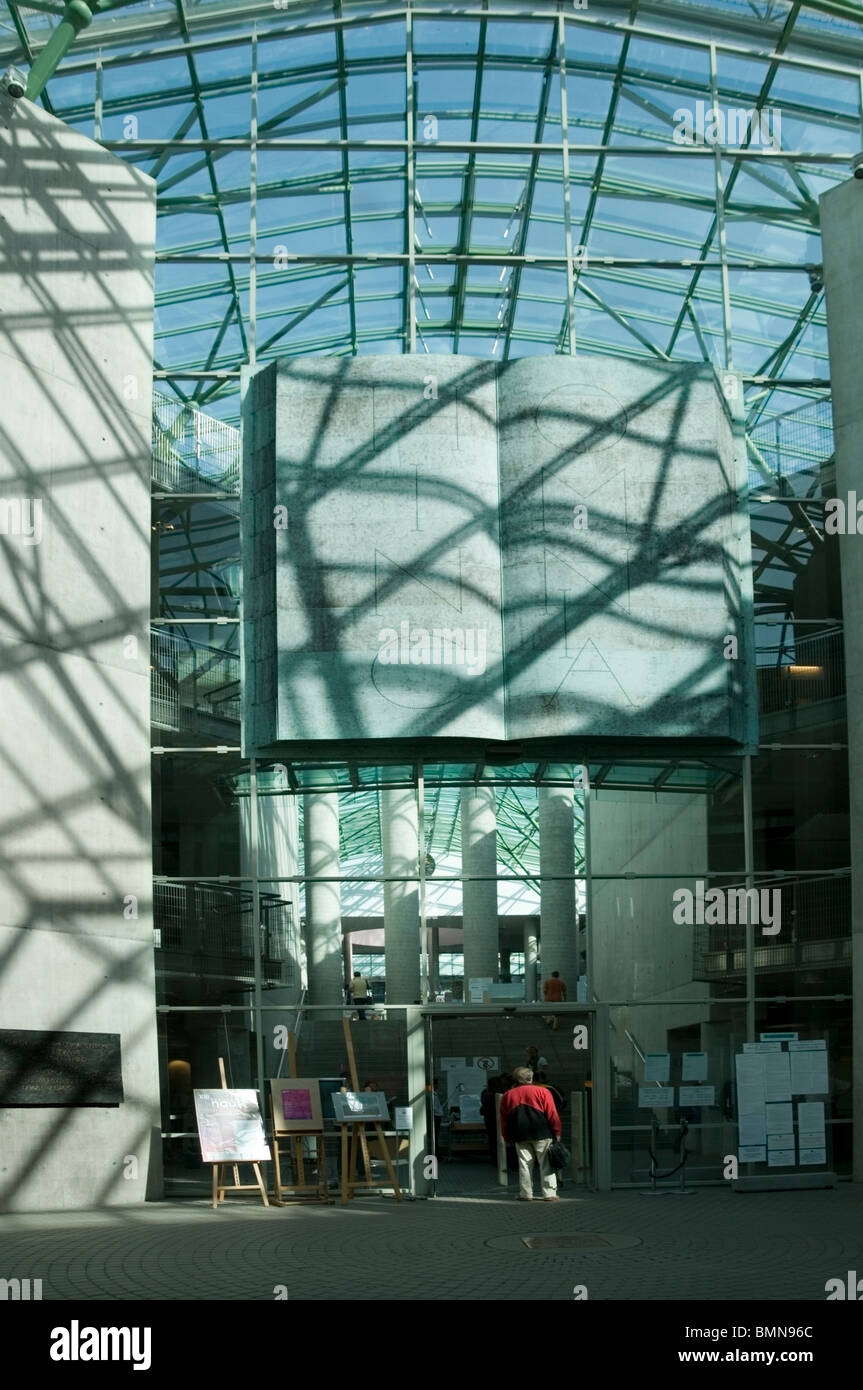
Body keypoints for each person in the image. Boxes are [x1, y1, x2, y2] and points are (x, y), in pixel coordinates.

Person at [499, 1065, 562, 1201]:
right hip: (542, 1132)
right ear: (531, 1078)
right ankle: (549, 1193)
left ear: (516, 1079)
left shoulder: (508, 1095)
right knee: (546, 1164)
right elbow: (552, 1113)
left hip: (520, 1134)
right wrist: (557, 1131)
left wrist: (506, 1136)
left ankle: (526, 1194)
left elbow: (504, 1120)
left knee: (525, 1164)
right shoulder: (543, 1092)